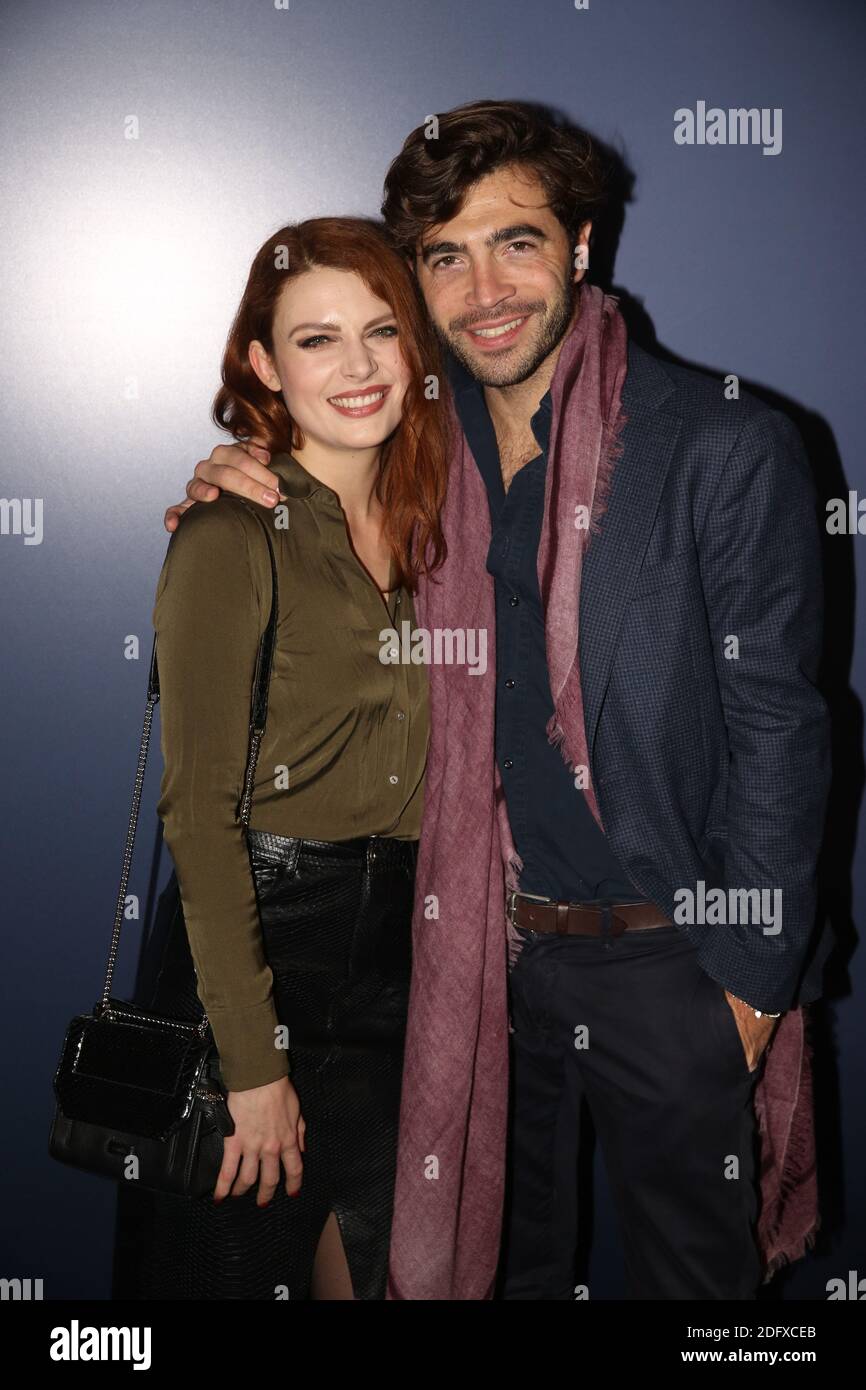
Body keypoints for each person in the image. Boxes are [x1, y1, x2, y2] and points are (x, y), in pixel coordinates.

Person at [162, 101, 832, 1300]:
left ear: (580, 246)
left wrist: (744, 984)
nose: (482, 291)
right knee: (494, 1274)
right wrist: (237, 464)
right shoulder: (430, 449)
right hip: (481, 962)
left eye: (514, 242)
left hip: (667, 964)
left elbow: (780, 725)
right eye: (444, 256)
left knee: (701, 1296)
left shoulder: (720, 442)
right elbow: (312, 489)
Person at [113, 216, 450, 1301]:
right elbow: (199, 820)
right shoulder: (229, 532)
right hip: (252, 967)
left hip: (402, 986)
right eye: (316, 340)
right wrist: (251, 1065)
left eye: (381, 331)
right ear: (263, 364)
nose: (357, 366)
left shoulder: (451, 532)